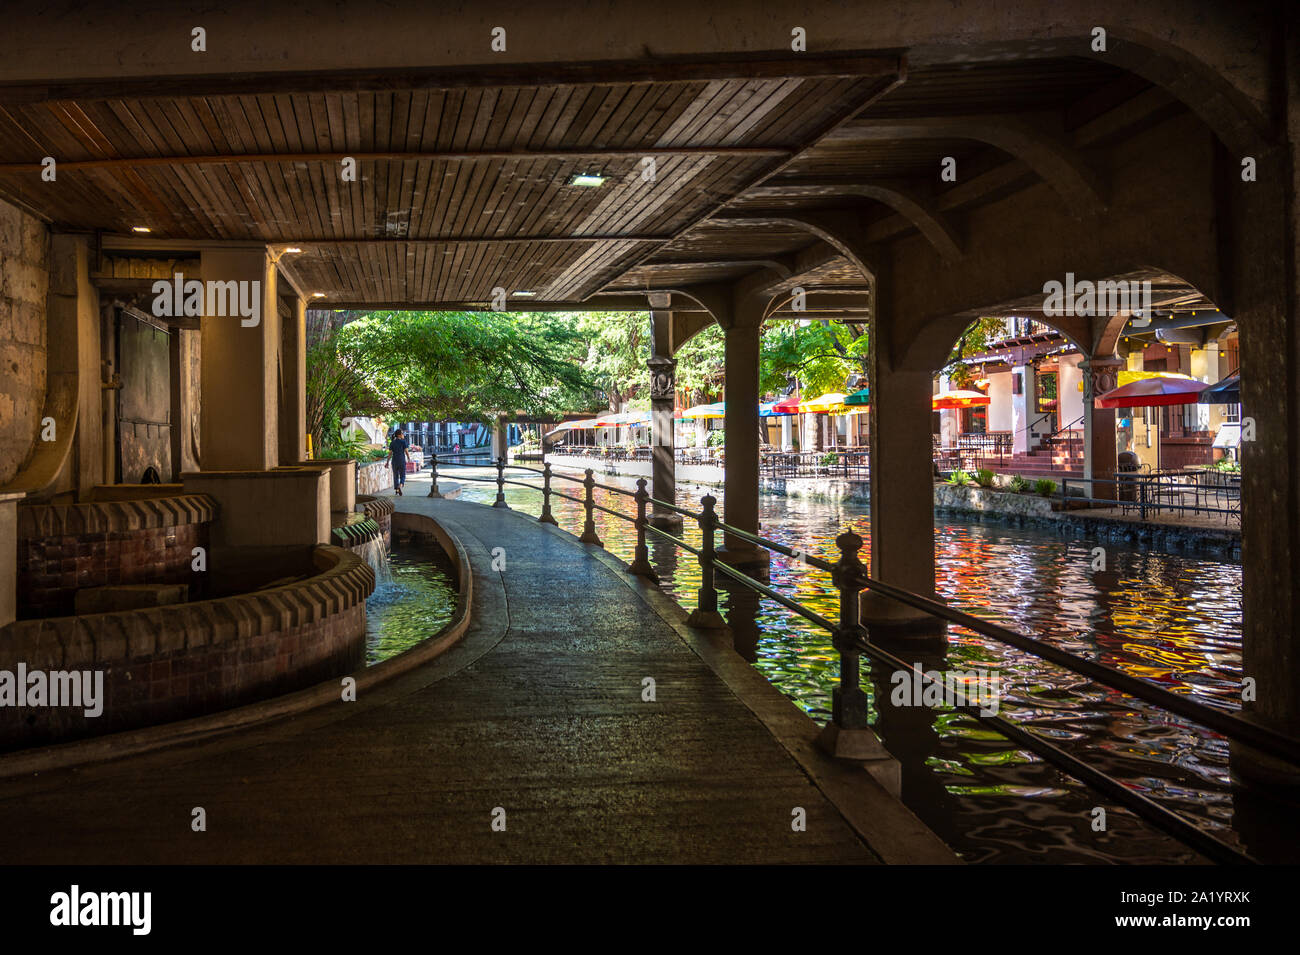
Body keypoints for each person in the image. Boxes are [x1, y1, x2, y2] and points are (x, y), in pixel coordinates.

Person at [390, 428, 409, 496]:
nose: (403, 435)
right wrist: (409, 458)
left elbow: (390, 453)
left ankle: (397, 489)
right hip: (401, 460)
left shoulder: (392, 442)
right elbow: (406, 451)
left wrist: (387, 462)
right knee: (402, 475)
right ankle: (400, 486)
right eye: (402, 433)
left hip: (394, 460)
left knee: (395, 475)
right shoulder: (403, 442)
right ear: (399, 435)